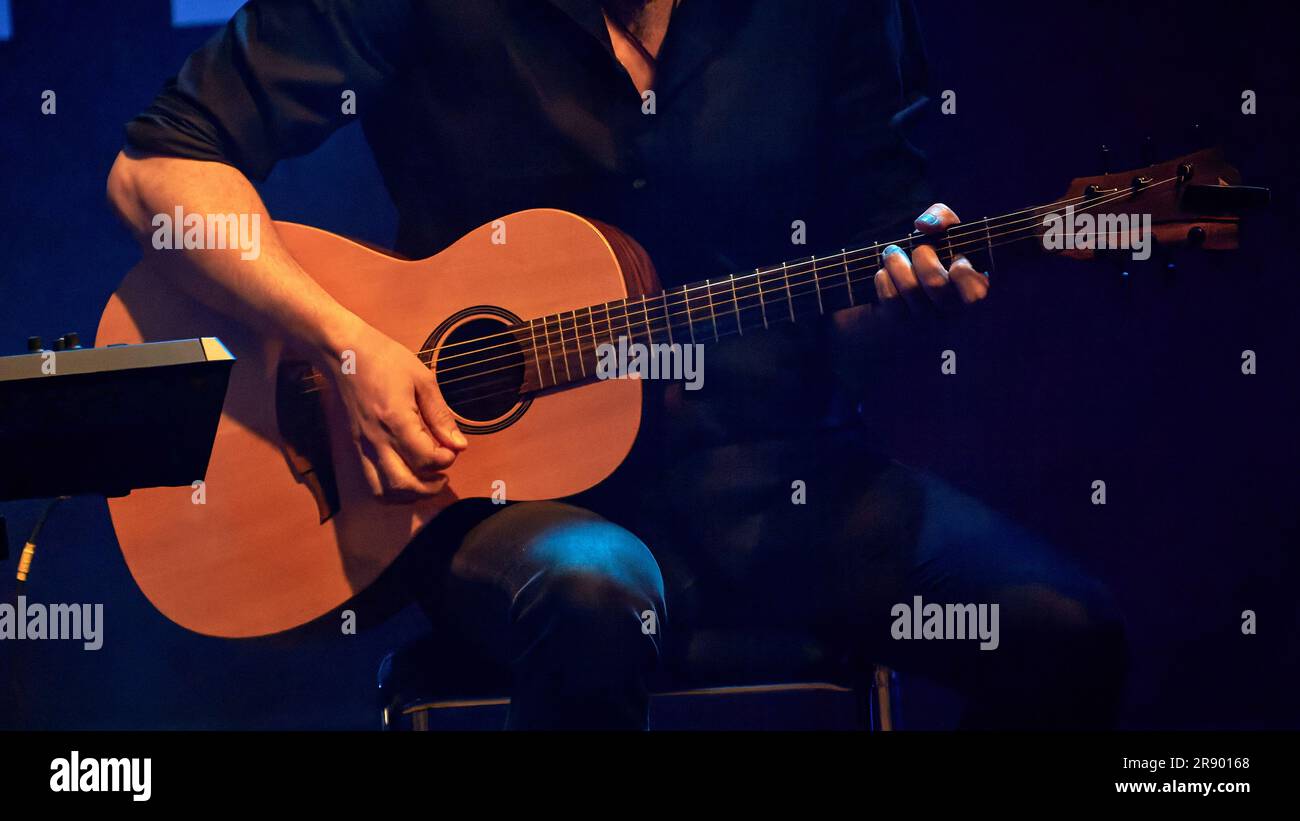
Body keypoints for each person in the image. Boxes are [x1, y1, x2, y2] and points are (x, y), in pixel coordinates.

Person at [107, 0, 1125, 729]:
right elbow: (158, 169)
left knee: (1063, 628)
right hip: (490, 495)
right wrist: (345, 342)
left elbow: (869, 281)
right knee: (595, 594)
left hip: (776, 479)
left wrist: (905, 297)